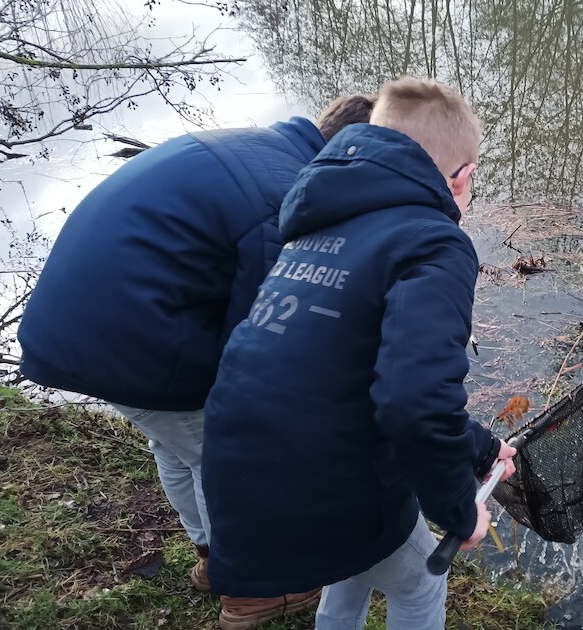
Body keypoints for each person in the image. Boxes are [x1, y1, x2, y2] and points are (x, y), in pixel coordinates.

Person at [16, 94, 376, 629]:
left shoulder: (262, 148)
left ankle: (211, 559)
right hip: (131, 340)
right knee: (226, 452)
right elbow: (260, 344)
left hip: (75, 327)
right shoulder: (288, 199)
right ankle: (248, 591)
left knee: (176, 442)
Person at [200, 76, 515, 630]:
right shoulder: (435, 240)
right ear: (462, 178)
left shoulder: (315, 225)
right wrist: (460, 511)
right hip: (324, 478)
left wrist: (482, 448)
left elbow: (349, 375)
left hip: (242, 469)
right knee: (419, 582)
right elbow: (412, 402)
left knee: (355, 562)